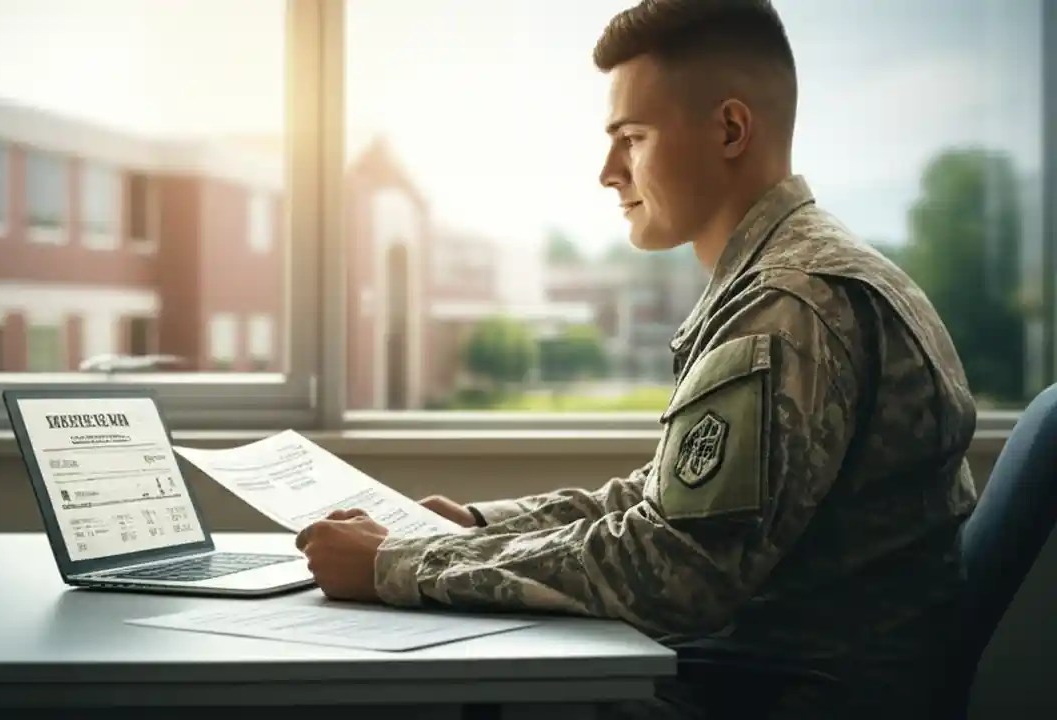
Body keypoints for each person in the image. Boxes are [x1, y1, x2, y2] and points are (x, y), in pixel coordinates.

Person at [294, 0, 979, 716]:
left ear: (731, 129)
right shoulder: (791, 275)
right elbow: (669, 505)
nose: (607, 172)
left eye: (633, 137)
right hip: (768, 671)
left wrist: (397, 565)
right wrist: (479, 525)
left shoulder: (789, 306)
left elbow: (674, 568)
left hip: (785, 694)